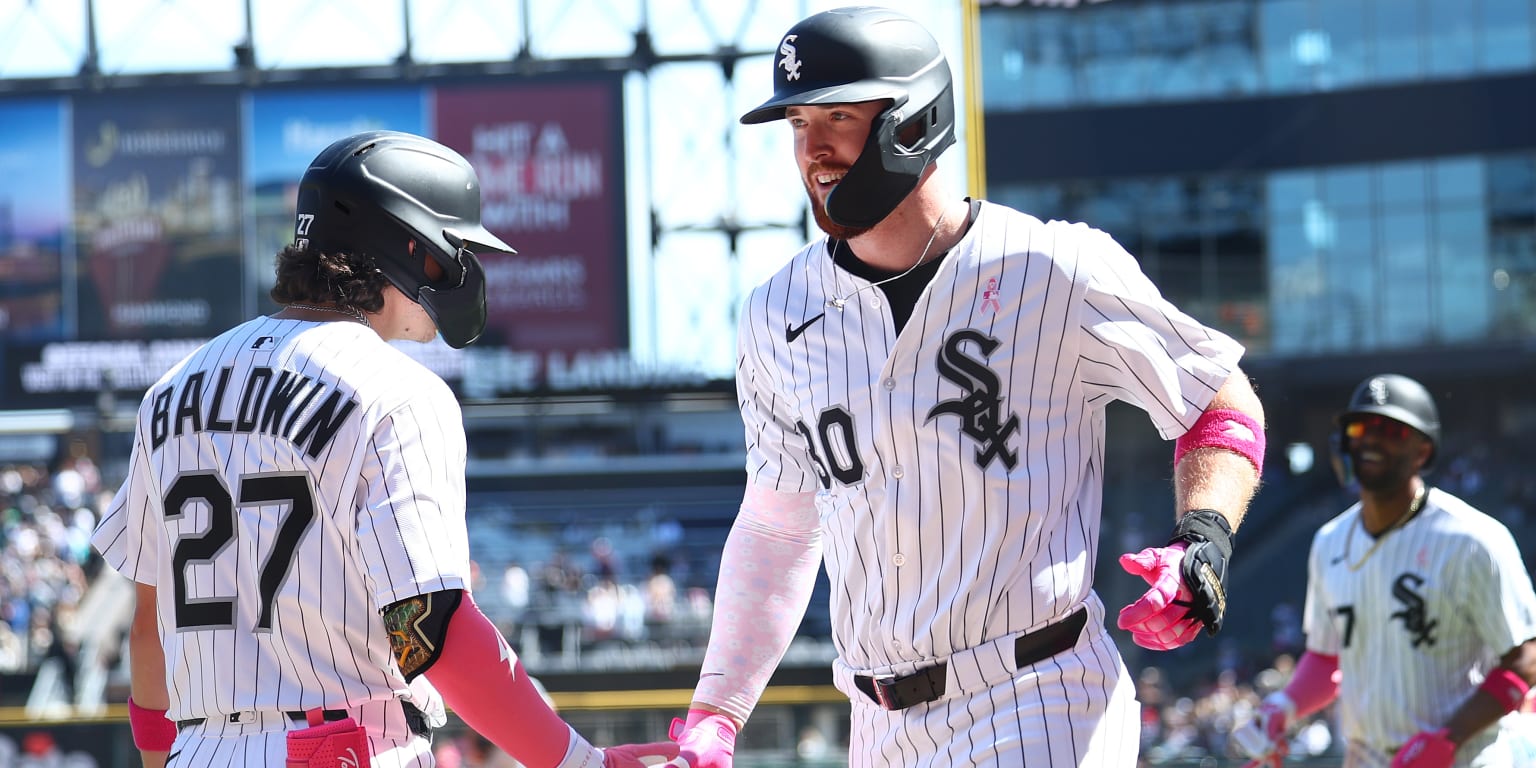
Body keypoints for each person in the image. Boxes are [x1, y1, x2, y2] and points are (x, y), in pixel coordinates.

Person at [664, 7, 1266, 767]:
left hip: (1039, 691)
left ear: (912, 123)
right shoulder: (774, 314)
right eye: (797, 123)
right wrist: (717, 709)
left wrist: (1202, 537)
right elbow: (779, 527)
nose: (812, 149)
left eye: (839, 117)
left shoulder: (1055, 268)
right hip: (878, 725)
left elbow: (1216, 396)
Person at [90, 130, 677, 768]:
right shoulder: (399, 394)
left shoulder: (172, 390)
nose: (462, 266)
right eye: (453, 247)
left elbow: (149, 627)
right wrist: (581, 762)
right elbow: (431, 629)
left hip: (199, 749)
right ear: (411, 244)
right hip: (347, 745)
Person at [1232, 374, 1536, 768]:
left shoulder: (1474, 539)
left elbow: (1525, 658)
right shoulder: (1329, 542)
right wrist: (1283, 706)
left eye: (1390, 430)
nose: (1370, 439)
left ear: (1422, 451)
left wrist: (1449, 738)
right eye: (1360, 427)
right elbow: (1327, 658)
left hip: (1465, 758)